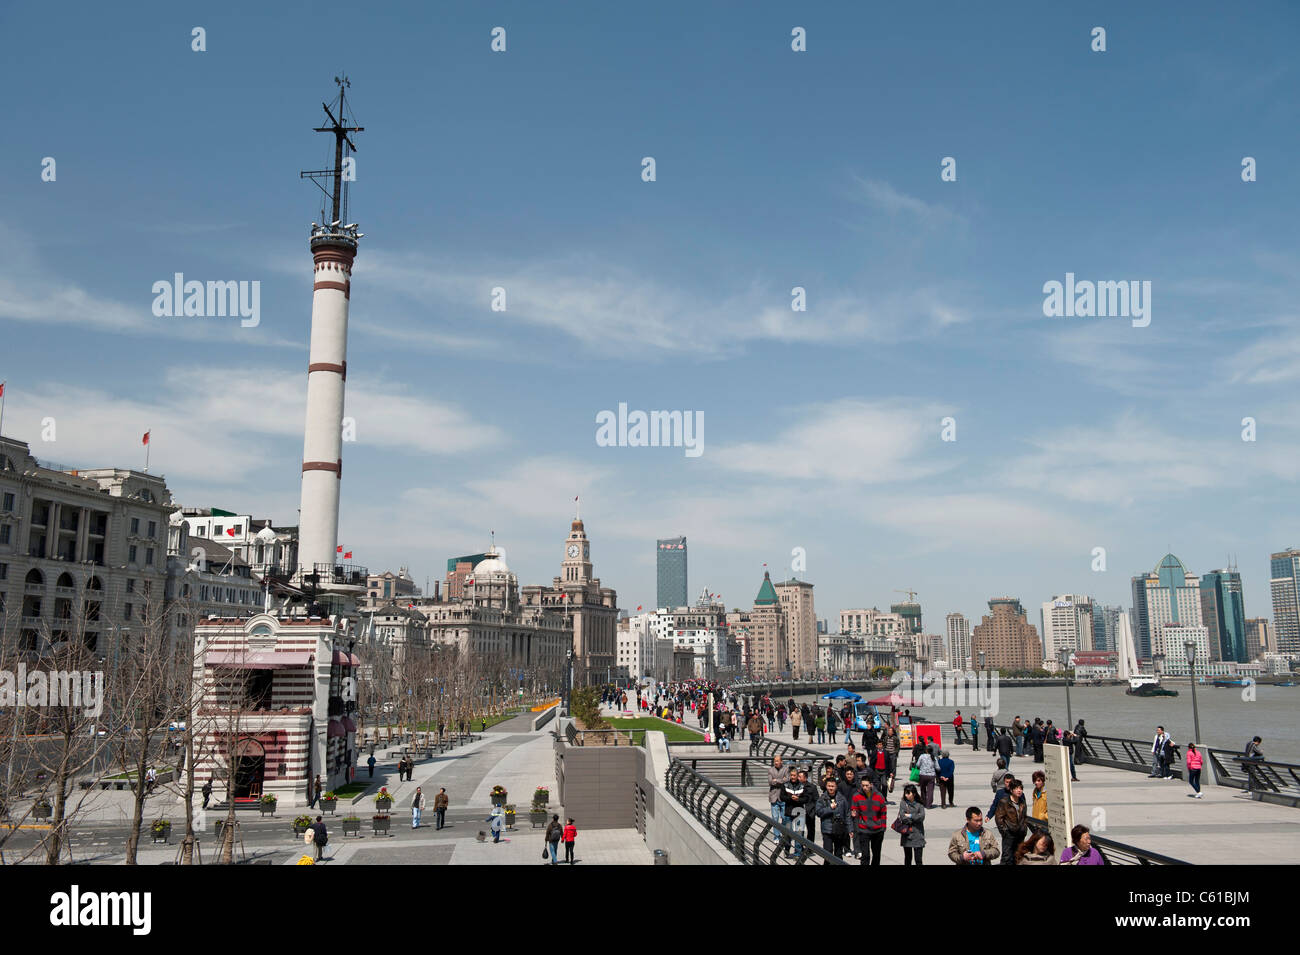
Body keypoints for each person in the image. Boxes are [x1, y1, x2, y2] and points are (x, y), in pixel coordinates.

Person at [852, 778, 888, 865]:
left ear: (871, 785)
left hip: (877, 830)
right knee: (865, 855)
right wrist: (856, 829)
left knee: (876, 854)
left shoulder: (879, 796)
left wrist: (883, 827)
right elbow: (855, 814)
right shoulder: (856, 796)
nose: (864, 787)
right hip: (864, 830)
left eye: (866, 785)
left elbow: (883, 812)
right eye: (863, 785)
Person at [815, 777, 851, 862]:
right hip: (827, 830)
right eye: (829, 786)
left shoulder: (841, 798)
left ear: (836, 787)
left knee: (838, 854)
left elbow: (847, 813)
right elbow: (818, 812)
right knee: (828, 853)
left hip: (839, 829)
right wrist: (830, 808)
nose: (831, 788)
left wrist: (850, 828)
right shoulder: (822, 798)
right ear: (826, 786)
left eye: (833, 786)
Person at [994, 778, 1029, 865]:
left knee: (1019, 856)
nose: (1019, 790)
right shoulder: (1005, 802)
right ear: (1011, 790)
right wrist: (1004, 831)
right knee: (1007, 857)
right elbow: (999, 818)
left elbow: (1024, 817)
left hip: (1020, 833)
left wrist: (1024, 829)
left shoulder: (1022, 802)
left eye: (1021, 788)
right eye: (1017, 788)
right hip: (1009, 833)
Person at [896, 783, 927, 865]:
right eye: (905, 793)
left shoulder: (919, 803)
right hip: (907, 834)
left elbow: (922, 817)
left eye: (908, 793)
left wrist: (910, 815)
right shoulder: (903, 803)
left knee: (918, 860)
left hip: (918, 834)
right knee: (907, 858)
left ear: (914, 794)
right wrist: (915, 818)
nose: (906, 795)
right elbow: (903, 817)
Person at [767, 755, 790, 846]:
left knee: (784, 817)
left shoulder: (786, 769)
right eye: (774, 761)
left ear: (781, 761)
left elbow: (787, 780)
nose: (776, 762)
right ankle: (776, 836)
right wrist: (781, 780)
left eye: (777, 761)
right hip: (774, 797)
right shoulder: (770, 770)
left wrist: (776, 780)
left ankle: (784, 833)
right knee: (775, 818)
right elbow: (770, 782)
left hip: (783, 796)